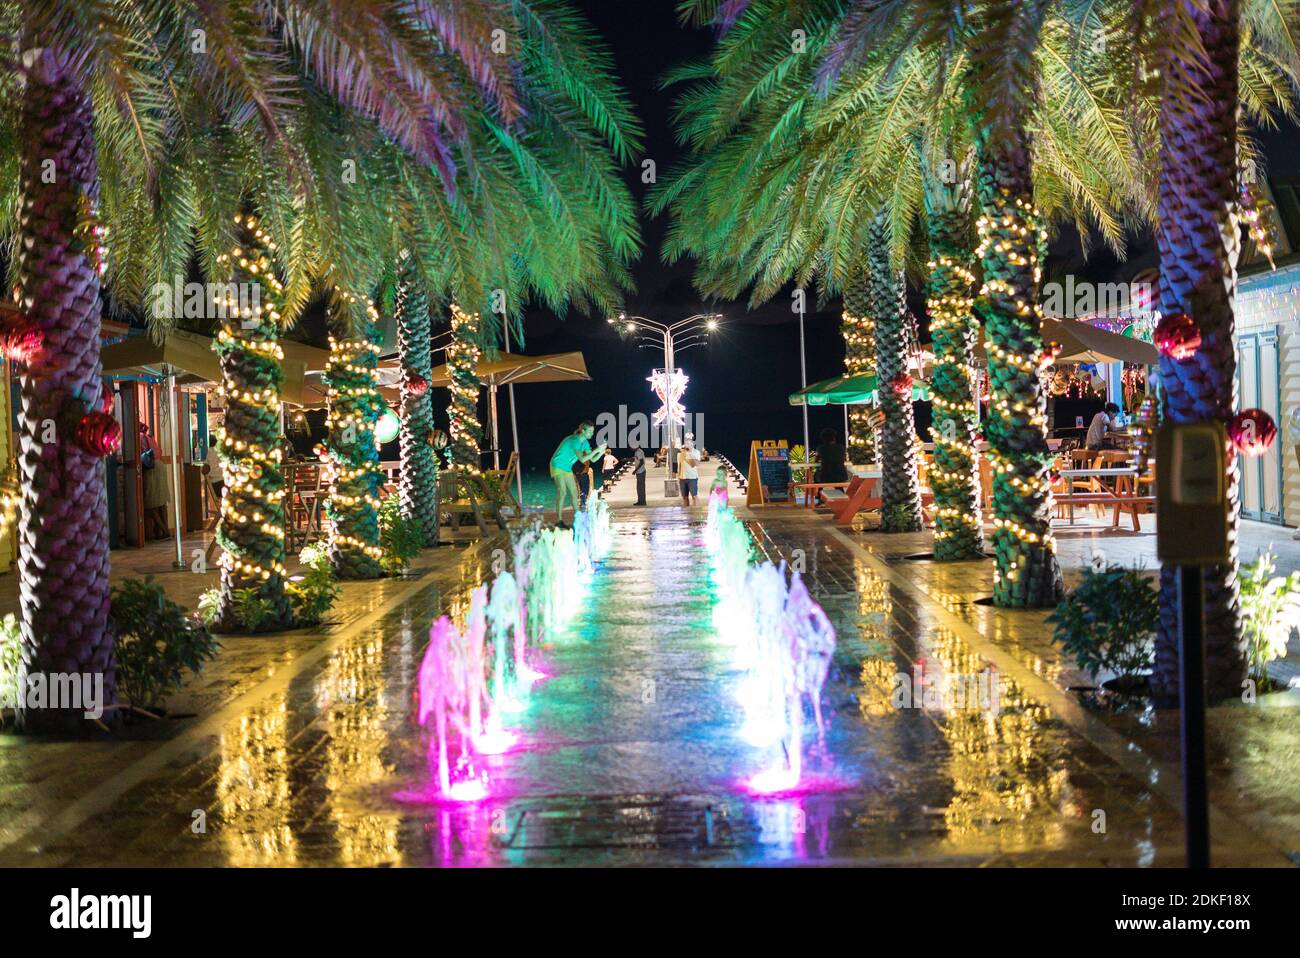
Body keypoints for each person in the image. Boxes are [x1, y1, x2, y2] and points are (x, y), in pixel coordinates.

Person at [550, 421, 606, 526]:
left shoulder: (585, 443)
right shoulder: (574, 440)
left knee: (574, 493)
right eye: (590, 431)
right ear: (583, 431)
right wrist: (597, 449)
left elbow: (592, 459)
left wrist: (600, 452)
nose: (592, 434)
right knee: (562, 492)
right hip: (557, 465)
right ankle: (559, 521)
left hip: (567, 468)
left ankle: (578, 519)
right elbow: (582, 458)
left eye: (593, 431)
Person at [139, 422, 169, 541]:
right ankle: (165, 530)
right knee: (161, 502)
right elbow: (159, 451)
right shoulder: (150, 438)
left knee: (150, 503)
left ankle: (165, 531)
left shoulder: (139, 438)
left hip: (151, 469)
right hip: (160, 466)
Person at [679, 436, 701, 506]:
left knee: (694, 496)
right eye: (686, 443)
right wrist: (678, 475)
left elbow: (695, 464)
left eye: (688, 443)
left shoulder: (696, 452)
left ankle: (696, 511)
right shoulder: (682, 453)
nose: (687, 445)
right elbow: (680, 464)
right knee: (684, 497)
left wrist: (689, 454)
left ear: (692, 444)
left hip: (692, 478)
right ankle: (686, 512)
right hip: (682, 478)